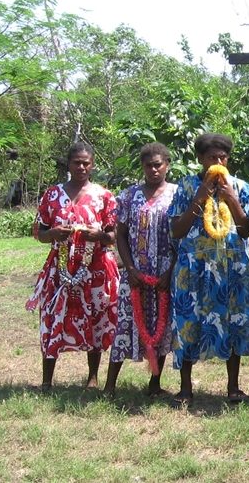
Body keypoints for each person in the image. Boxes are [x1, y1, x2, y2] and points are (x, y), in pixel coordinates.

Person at [168, 133, 249, 406]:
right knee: (188, 321)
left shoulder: (240, 186)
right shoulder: (186, 186)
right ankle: (185, 386)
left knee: (234, 321)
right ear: (200, 160)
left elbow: (245, 230)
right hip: (195, 264)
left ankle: (233, 385)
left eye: (223, 158)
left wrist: (232, 199)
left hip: (232, 265)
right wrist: (199, 198)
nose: (218, 162)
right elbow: (177, 230)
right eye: (211, 158)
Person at [26, 142, 119, 391]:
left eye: (86, 162)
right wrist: (54, 233)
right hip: (60, 269)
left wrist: (97, 235)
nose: (81, 166)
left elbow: (113, 236)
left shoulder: (103, 196)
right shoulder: (53, 195)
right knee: (52, 318)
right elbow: (39, 231)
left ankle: (92, 377)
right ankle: (47, 380)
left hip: (95, 269)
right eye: (77, 162)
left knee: (96, 318)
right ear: (68, 164)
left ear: (93, 165)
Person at [103, 142, 177, 398]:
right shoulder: (128, 196)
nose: (154, 169)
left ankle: (154, 385)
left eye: (158, 164)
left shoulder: (176, 195)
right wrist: (130, 268)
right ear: (143, 167)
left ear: (167, 164)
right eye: (149, 165)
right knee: (125, 324)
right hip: (135, 274)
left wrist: (171, 272)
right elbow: (119, 234)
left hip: (164, 274)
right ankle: (109, 387)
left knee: (162, 325)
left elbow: (181, 237)